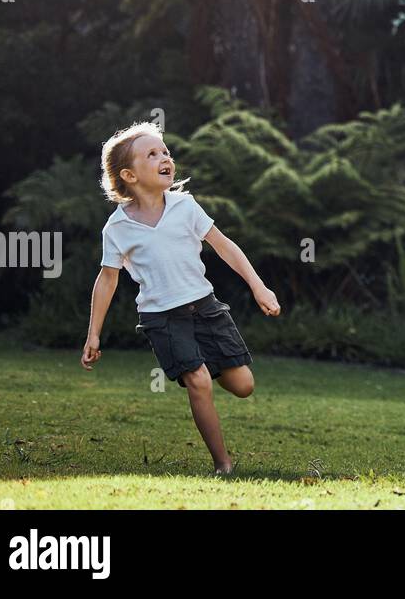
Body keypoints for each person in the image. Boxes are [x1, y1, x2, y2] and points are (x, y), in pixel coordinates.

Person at [81, 121, 281, 475]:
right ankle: (223, 465)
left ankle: (204, 361)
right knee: (199, 381)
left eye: (166, 152)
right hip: (163, 318)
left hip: (206, 309)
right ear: (129, 174)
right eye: (153, 154)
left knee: (243, 385)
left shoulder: (185, 207)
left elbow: (224, 246)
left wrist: (258, 286)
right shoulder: (117, 228)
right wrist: (94, 333)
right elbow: (107, 279)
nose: (165, 158)